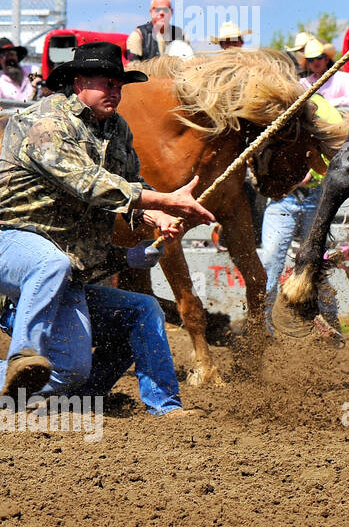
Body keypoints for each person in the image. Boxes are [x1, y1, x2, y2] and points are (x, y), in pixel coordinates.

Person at [0, 41, 214, 413]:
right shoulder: (45, 124)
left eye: (119, 85)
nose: (115, 92)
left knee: (139, 312)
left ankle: (160, 406)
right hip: (13, 244)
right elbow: (90, 183)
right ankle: (24, 354)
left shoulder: (116, 131)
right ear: (79, 82)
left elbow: (131, 185)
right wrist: (166, 201)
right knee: (52, 264)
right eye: (106, 83)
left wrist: (156, 216)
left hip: (66, 271)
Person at [261, 94, 347, 336]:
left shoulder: (319, 110)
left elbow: (338, 154)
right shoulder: (274, 115)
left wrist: (311, 170)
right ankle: (264, 325)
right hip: (284, 197)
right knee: (272, 261)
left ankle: (329, 320)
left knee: (315, 261)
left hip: (310, 196)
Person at [125, 0, 193, 62]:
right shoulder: (138, 35)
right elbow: (133, 67)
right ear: (151, 12)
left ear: (171, 12)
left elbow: (190, 64)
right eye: (157, 10)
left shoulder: (181, 35)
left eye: (166, 9)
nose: (161, 13)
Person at [301, 36, 349, 111]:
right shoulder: (303, 83)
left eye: (319, 57)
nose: (315, 62)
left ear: (326, 59)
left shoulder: (343, 78)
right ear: (308, 63)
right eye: (310, 59)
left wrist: (330, 103)